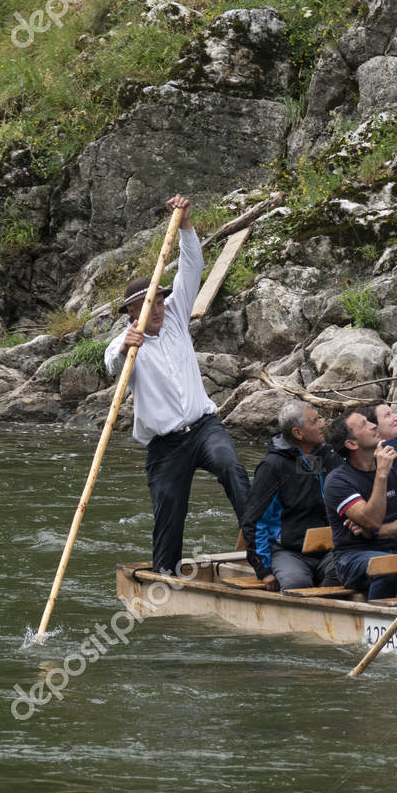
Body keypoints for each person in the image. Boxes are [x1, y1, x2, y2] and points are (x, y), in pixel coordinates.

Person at [105, 193, 249, 574]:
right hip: (165, 445)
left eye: (159, 302)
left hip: (204, 427)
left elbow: (192, 266)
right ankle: (165, 576)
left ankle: (263, 546)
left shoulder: (175, 317)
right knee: (169, 511)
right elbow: (109, 362)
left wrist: (185, 225)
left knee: (232, 469)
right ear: (132, 313)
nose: (157, 309)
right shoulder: (127, 344)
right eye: (149, 305)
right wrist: (124, 344)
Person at [239, 400, 342, 591]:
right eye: (315, 421)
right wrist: (264, 570)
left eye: (320, 419)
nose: (322, 424)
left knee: (346, 572)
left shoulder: (326, 457)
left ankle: (322, 610)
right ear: (298, 433)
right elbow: (254, 521)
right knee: (297, 584)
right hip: (288, 552)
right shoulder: (273, 467)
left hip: (328, 549)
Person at [323, 407, 397, 600]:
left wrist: (378, 531)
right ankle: (377, 622)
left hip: (394, 549)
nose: (373, 425)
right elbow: (372, 519)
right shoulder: (337, 481)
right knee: (384, 568)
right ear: (352, 443)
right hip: (353, 557)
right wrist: (382, 474)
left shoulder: (396, 465)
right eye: (364, 424)